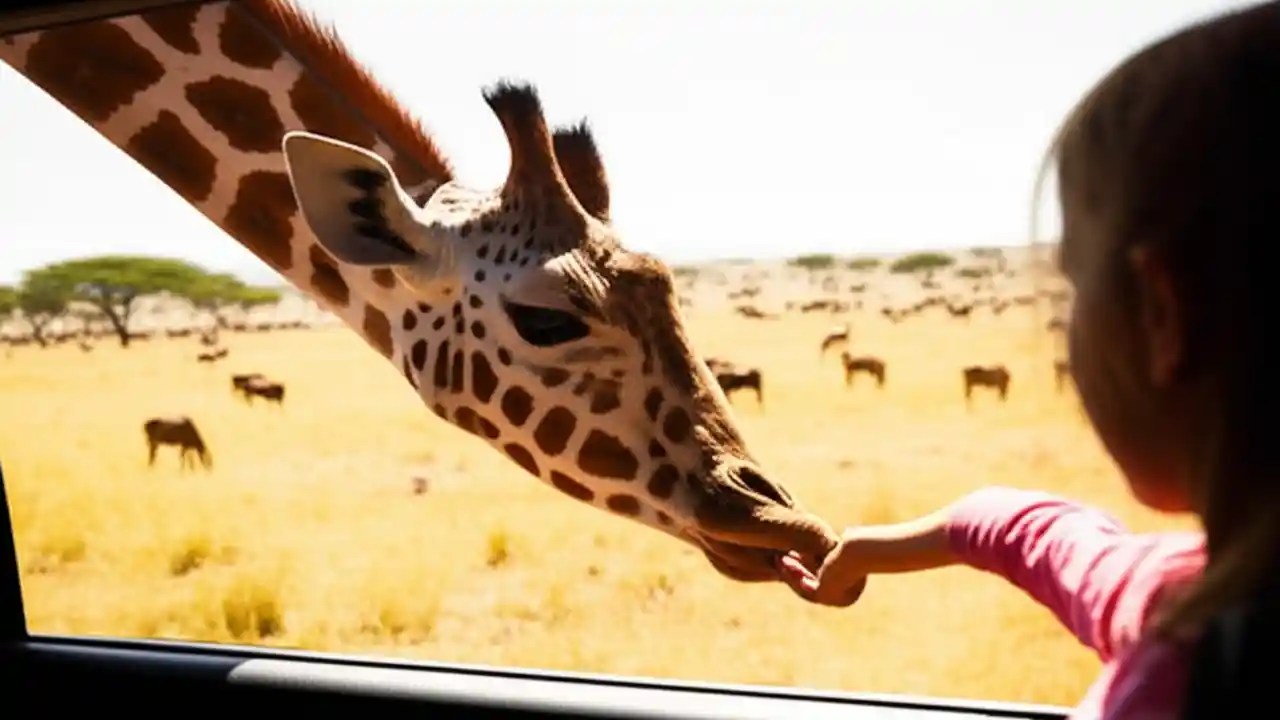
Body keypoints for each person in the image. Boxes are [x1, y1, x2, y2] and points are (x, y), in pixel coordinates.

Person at [777, 3, 1280, 718]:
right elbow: (1028, 532)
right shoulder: (1185, 586)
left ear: (1163, 316)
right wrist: (864, 549)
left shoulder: (1185, 675)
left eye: (1073, 280)